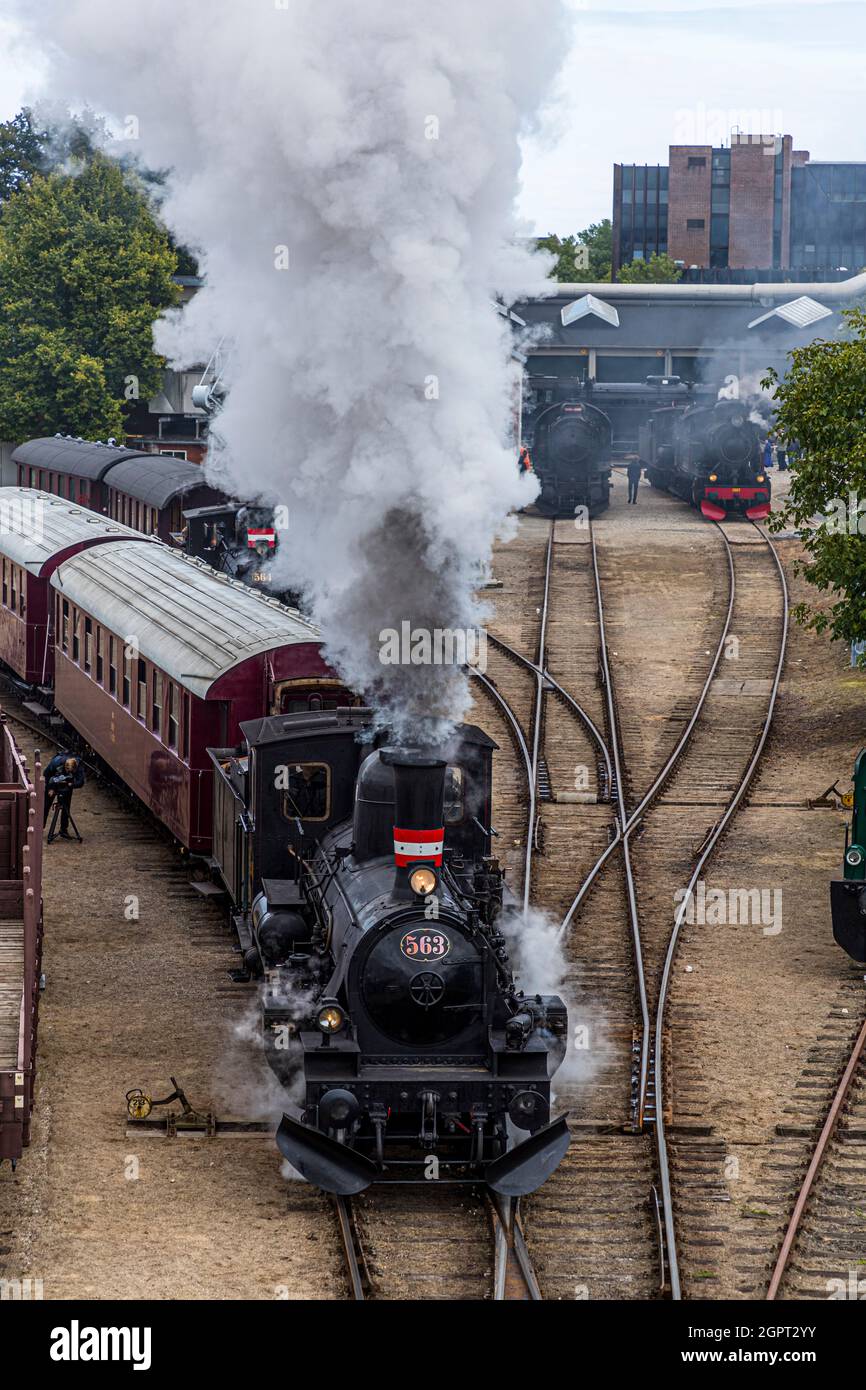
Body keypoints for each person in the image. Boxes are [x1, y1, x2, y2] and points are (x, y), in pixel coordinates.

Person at [43, 752, 85, 840]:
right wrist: (50, 788)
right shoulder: (56, 762)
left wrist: (70, 784)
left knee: (66, 807)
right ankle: (40, 827)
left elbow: (81, 782)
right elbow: (46, 774)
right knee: (46, 804)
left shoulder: (78, 767)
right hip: (53, 781)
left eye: (70, 771)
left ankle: (63, 830)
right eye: (67, 771)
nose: (68, 772)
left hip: (67, 786)